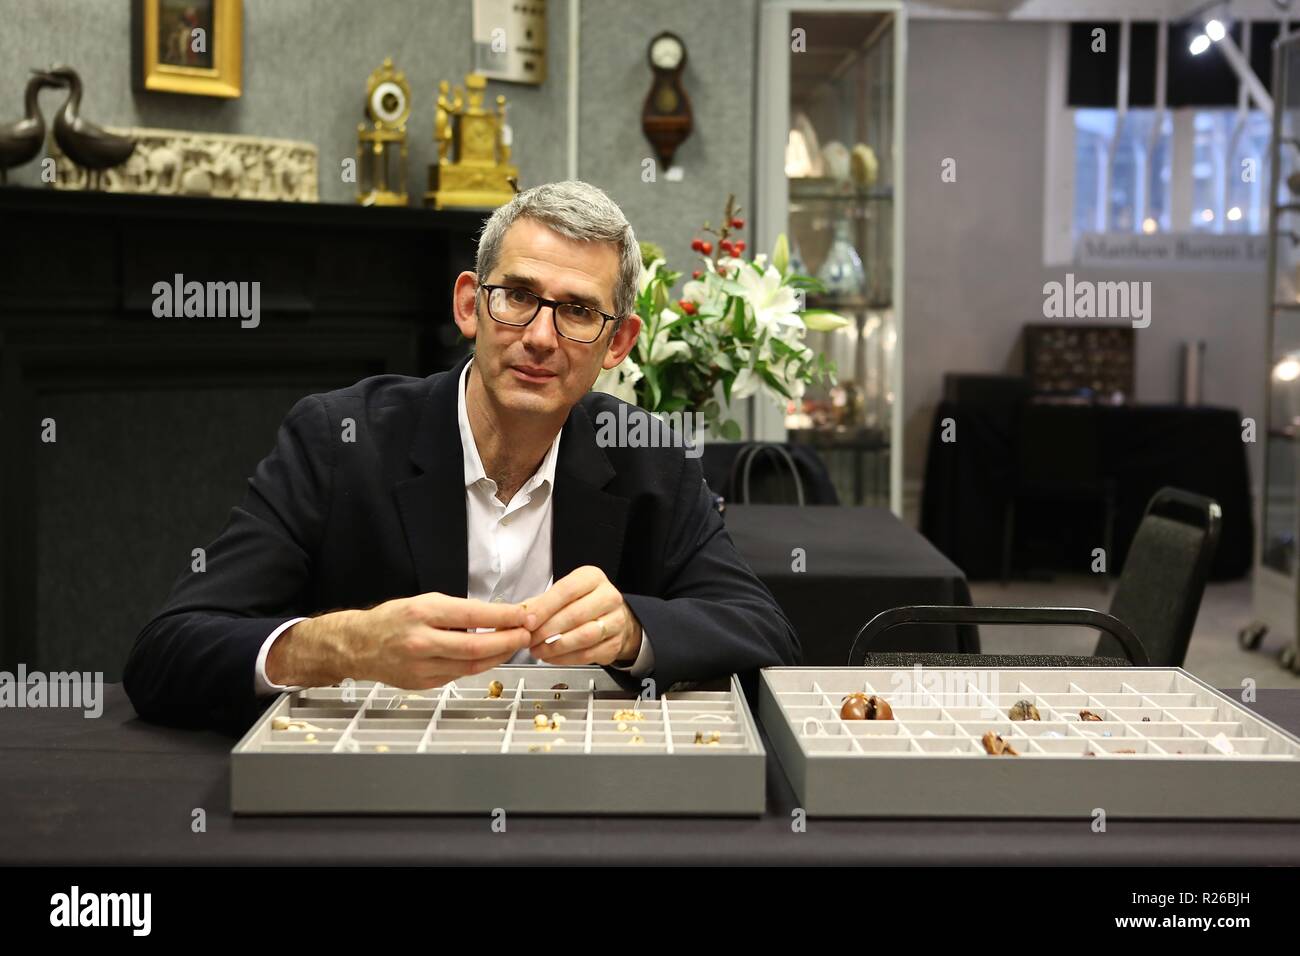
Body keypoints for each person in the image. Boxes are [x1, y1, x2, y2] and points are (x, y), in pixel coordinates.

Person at [124, 180, 800, 734]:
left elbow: (766, 635)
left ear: (618, 343)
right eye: (518, 297)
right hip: (377, 794)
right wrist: (345, 646)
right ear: (470, 305)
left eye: (577, 313)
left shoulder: (652, 460)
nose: (540, 337)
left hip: (579, 796)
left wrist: (632, 630)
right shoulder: (338, 441)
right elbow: (166, 653)